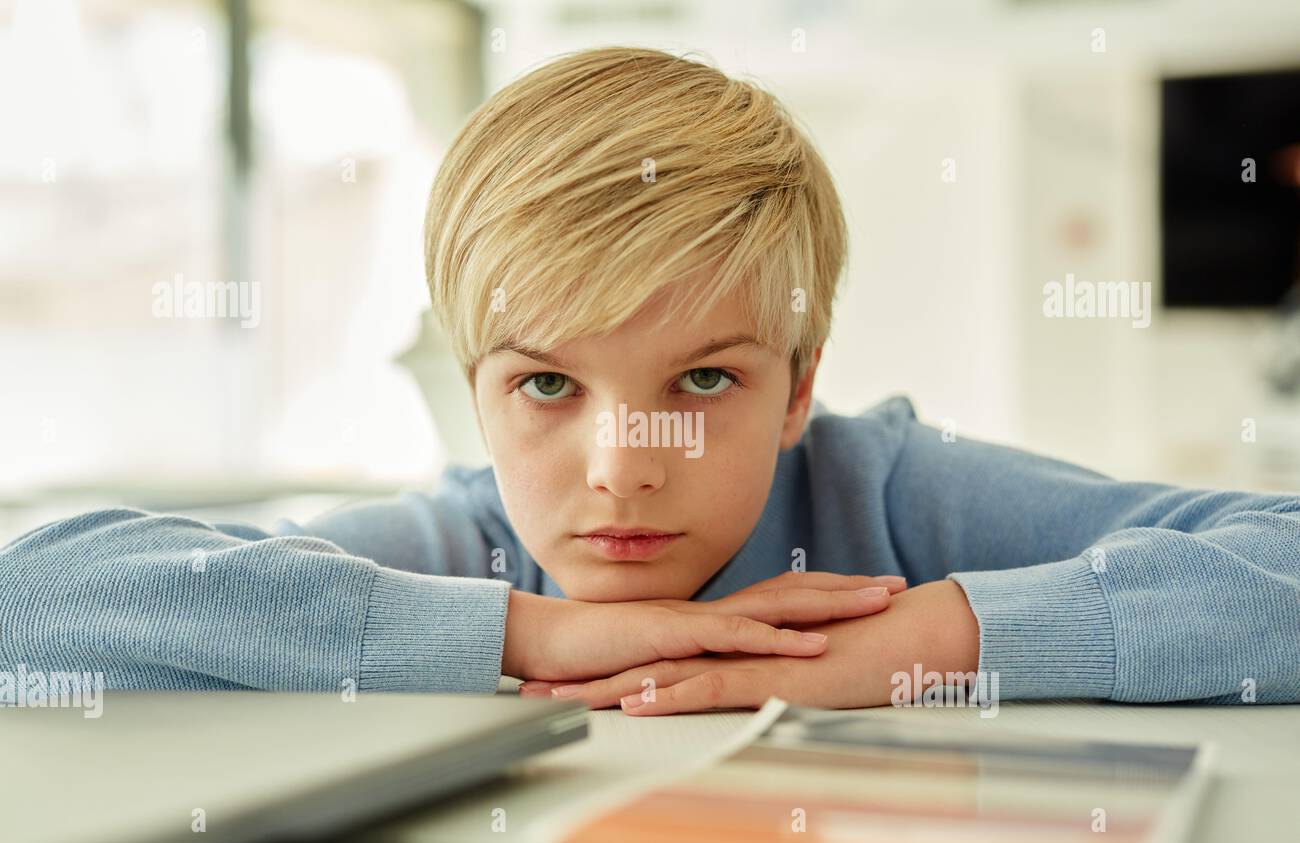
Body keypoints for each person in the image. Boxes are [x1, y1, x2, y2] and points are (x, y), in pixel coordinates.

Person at [2, 47, 1297, 715]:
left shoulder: (885, 495)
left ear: (798, 390)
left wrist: (906, 648)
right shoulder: (462, 545)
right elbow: (31, 607)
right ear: (474, 391)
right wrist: (531, 633)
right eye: (550, 388)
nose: (621, 461)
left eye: (700, 380)